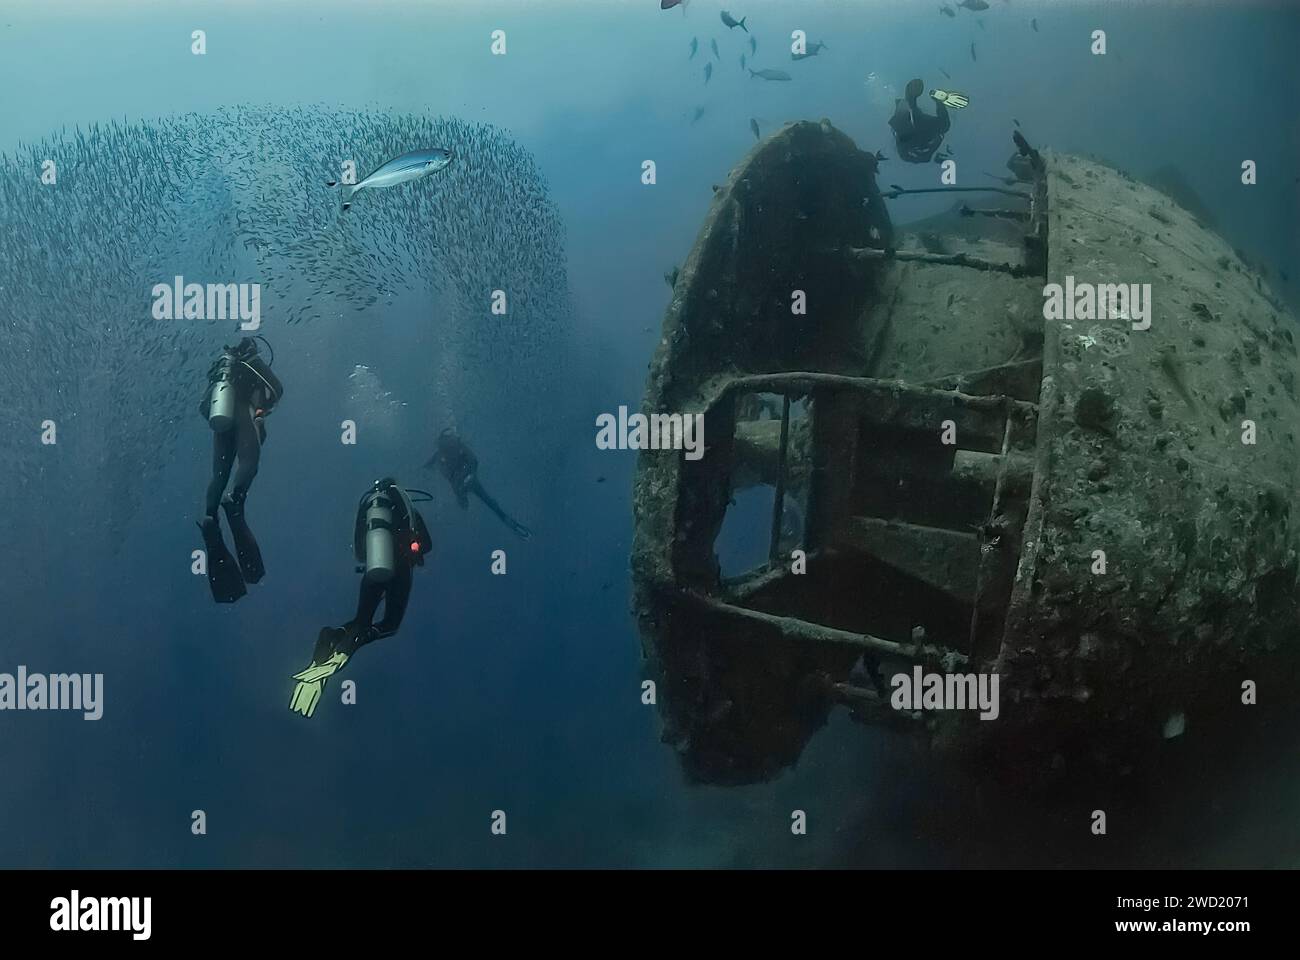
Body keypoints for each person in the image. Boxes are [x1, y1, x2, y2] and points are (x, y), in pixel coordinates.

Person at [289, 478, 433, 718]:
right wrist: (411, 550)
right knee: (389, 625)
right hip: (400, 571)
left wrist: (377, 553)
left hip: (372, 571)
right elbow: (426, 544)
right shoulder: (406, 507)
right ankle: (356, 641)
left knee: (359, 620)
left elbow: (358, 552)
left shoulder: (368, 508)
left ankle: (333, 635)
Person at [196, 336, 283, 603]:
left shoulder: (221, 373)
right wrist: (256, 413)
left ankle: (211, 520)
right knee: (250, 462)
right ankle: (235, 503)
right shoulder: (252, 364)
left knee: (219, 474)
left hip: (220, 422)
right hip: (243, 412)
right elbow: (277, 389)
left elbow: (203, 407)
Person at [425, 428, 532, 540]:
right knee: (488, 501)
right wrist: (470, 474)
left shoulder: (440, 452)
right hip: (470, 480)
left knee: (464, 506)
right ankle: (504, 519)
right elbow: (473, 461)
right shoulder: (458, 445)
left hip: (458, 485)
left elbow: (430, 467)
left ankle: (470, 531)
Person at [888, 78, 967, 164]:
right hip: (919, 135)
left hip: (913, 136)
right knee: (942, 126)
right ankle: (930, 101)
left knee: (908, 118)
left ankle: (914, 101)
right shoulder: (928, 130)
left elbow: (905, 155)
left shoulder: (906, 144)